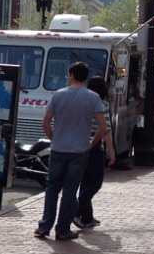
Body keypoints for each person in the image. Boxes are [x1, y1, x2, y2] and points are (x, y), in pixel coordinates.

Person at [35, 61, 108, 242]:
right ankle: (63, 229)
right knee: (70, 191)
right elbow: (102, 125)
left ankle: (44, 226)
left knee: (52, 188)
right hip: (79, 150)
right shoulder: (92, 98)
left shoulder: (58, 95)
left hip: (58, 149)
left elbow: (45, 122)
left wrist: (54, 138)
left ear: (72, 75)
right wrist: (92, 143)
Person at [74, 76, 116, 229]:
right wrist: (111, 151)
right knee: (96, 183)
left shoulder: (81, 102)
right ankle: (77, 210)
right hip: (95, 145)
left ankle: (87, 217)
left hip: (79, 144)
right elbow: (106, 129)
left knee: (85, 181)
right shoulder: (101, 104)